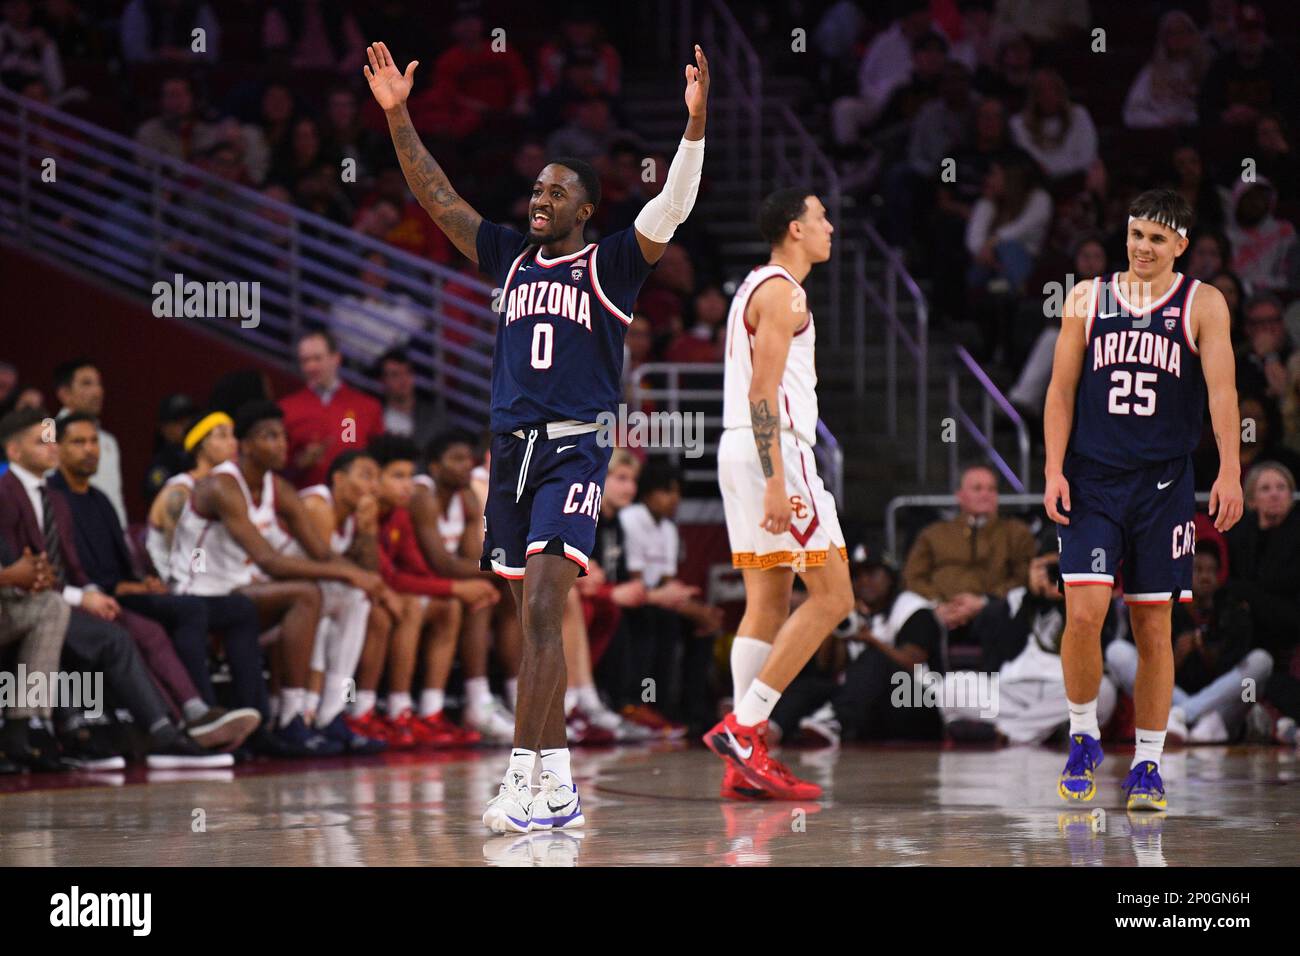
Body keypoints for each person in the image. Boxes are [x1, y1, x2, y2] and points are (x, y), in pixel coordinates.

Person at [365, 38, 708, 832]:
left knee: (548, 608)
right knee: (530, 620)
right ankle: (558, 785)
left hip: (576, 447)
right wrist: (398, 118)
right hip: (510, 452)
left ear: (585, 210)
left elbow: (674, 208)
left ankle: (519, 781)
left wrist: (694, 128)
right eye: (536, 188)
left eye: (556, 191)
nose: (539, 197)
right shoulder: (510, 259)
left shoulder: (613, 265)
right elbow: (437, 198)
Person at [1043, 189, 1243, 812]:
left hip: (1163, 484)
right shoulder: (1087, 297)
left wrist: (1231, 471)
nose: (1143, 247)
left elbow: (1222, 394)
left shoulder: (1202, 303)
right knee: (1084, 614)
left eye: (1157, 238)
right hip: (1093, 478)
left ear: (1181, 245)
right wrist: (1052, 468)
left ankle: (1149, 764)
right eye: (1136, 234)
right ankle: (1083, 737)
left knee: (1154, 624)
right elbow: (1060, 392)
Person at [703, 186, 855, 800]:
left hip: (739, 448)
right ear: (795, 228)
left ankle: (744, 757)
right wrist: (775, 480)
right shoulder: (783, 292)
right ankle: (745, 727)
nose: (830, 229)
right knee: (834, 595)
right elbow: (763, 393)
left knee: (767, 603)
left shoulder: (753, 286)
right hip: (775, 452)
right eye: (820, 219)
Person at [169, 400, 387, 755]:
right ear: (246, 445)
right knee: (307, 594)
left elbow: (321, 552)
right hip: (199, 592)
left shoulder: (278, 488)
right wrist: (351, 573)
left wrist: (361, 568)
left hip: (242, 590)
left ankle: (329, 714)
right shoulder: (222, 485)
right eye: (270, 437)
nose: (282, 444)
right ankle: (290, 716)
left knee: (352, 598)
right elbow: (271, 561)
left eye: (283, 437)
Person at [1107, 539, 1272, 743]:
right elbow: (1149, 665)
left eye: (1211, 571)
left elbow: (1235, 679)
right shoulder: (1164, 608)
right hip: (1170, 699)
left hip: (1222, 713)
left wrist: (1209, 656)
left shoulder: (1233, 609)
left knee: (1261, 661)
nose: (1205, 577)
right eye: (1197, 569)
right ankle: (1194, 719)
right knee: (1117, 651)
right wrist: (1174, 657)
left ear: (1219, 576)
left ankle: (1183, 715)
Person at [902, 463, 1037, 639]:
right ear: (960, 495)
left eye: (991, 489)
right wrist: (939, 604)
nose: (985, 495)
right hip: (940, 610)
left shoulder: (1016, 532)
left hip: (995, 611)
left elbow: (1024, 577)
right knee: (919, 618)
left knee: (1003, 615)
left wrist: (985, 601)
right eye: (977, 488)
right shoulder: (934, 533)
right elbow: (912, 577)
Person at [278, 330, 385, 488]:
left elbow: (380, 460)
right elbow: (276, 467)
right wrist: (299, 463)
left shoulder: (367, 406)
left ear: (336, 358)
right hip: (305, 500)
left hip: (357, 500)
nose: (311, 367)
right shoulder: (285, 408)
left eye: (317, 358)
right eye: (305, 361)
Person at [53, 358, 125, 526]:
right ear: (65, 393)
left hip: (111, 535)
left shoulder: (108, 441)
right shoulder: (48, 437)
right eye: (87, 384)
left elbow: (116, 497)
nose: (97, 391)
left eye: (99, 384)